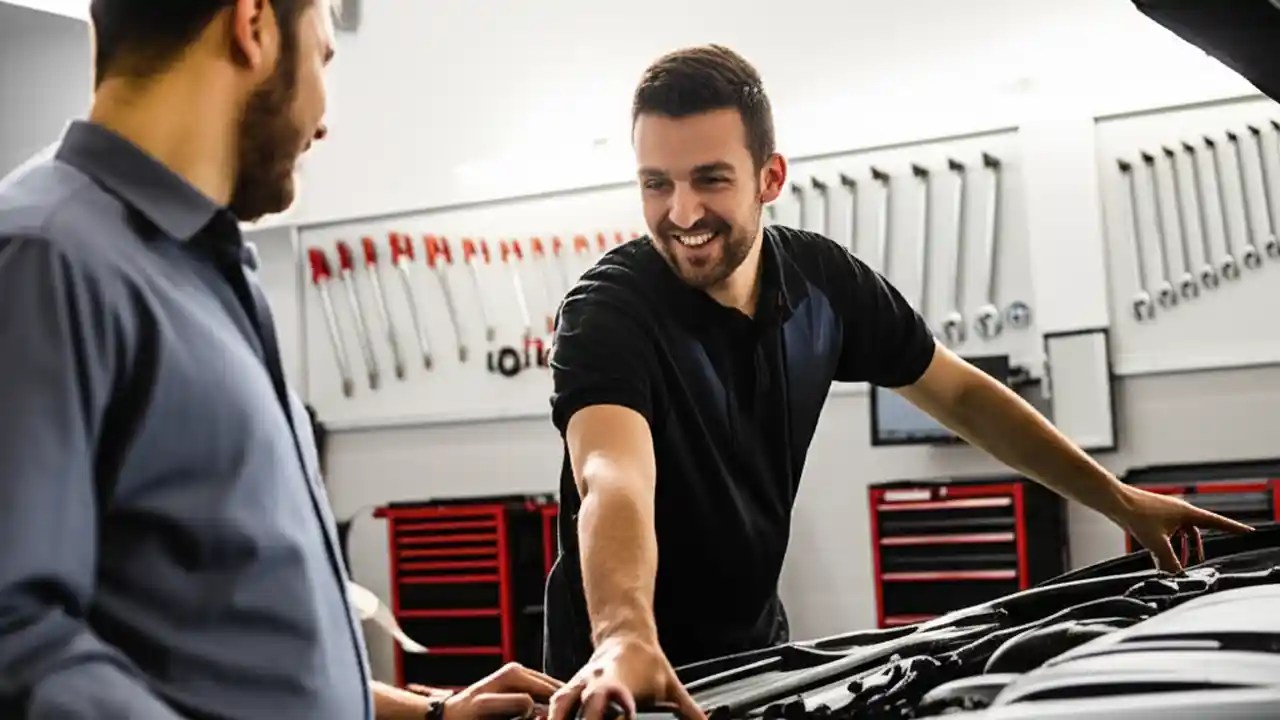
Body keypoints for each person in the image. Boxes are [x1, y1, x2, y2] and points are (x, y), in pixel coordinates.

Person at [541, 44, 1254, 720]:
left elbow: (961, 394)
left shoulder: (823, 283)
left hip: (754, 655)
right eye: (655, 184)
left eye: (710, 179)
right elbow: (613, 476)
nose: (682, 213)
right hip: (616, 678)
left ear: (769, 178)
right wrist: (624, 633)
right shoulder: (608, 312)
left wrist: (1118, 499)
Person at [0, 1, 558, 718]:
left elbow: (227, 639)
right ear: (253, 24)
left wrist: (432, 714)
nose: (323, 119)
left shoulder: (211, 271)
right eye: (324, 57)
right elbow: (18, 641)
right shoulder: (41, 258)